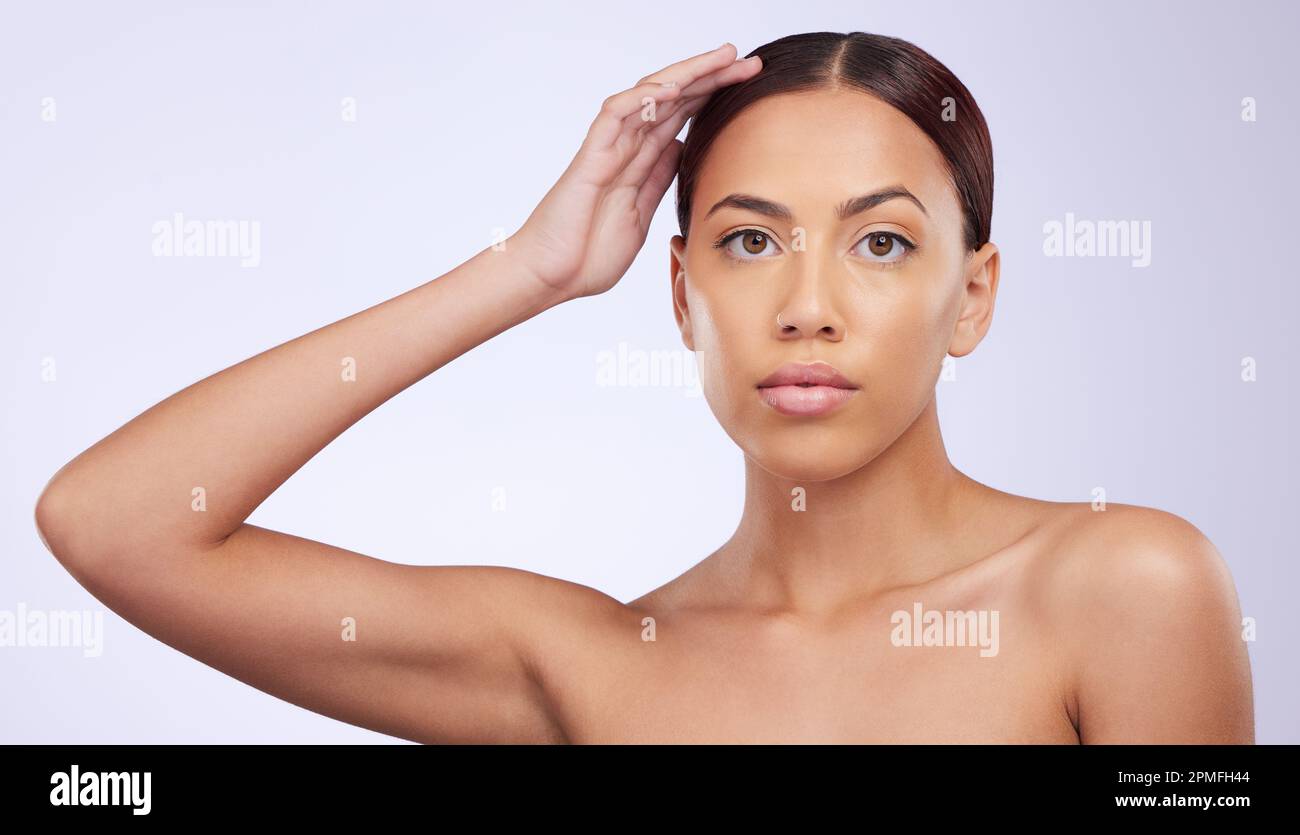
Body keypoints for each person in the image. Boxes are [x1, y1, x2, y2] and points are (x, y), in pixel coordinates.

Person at [34, 33, 1254, 743]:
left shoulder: (1125, 587)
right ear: (679, 296)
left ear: (973, 297)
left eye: (879, 242)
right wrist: (527, 269)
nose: (807, 304)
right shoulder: (591, 662)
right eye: (748, 240)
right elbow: (115, 524)